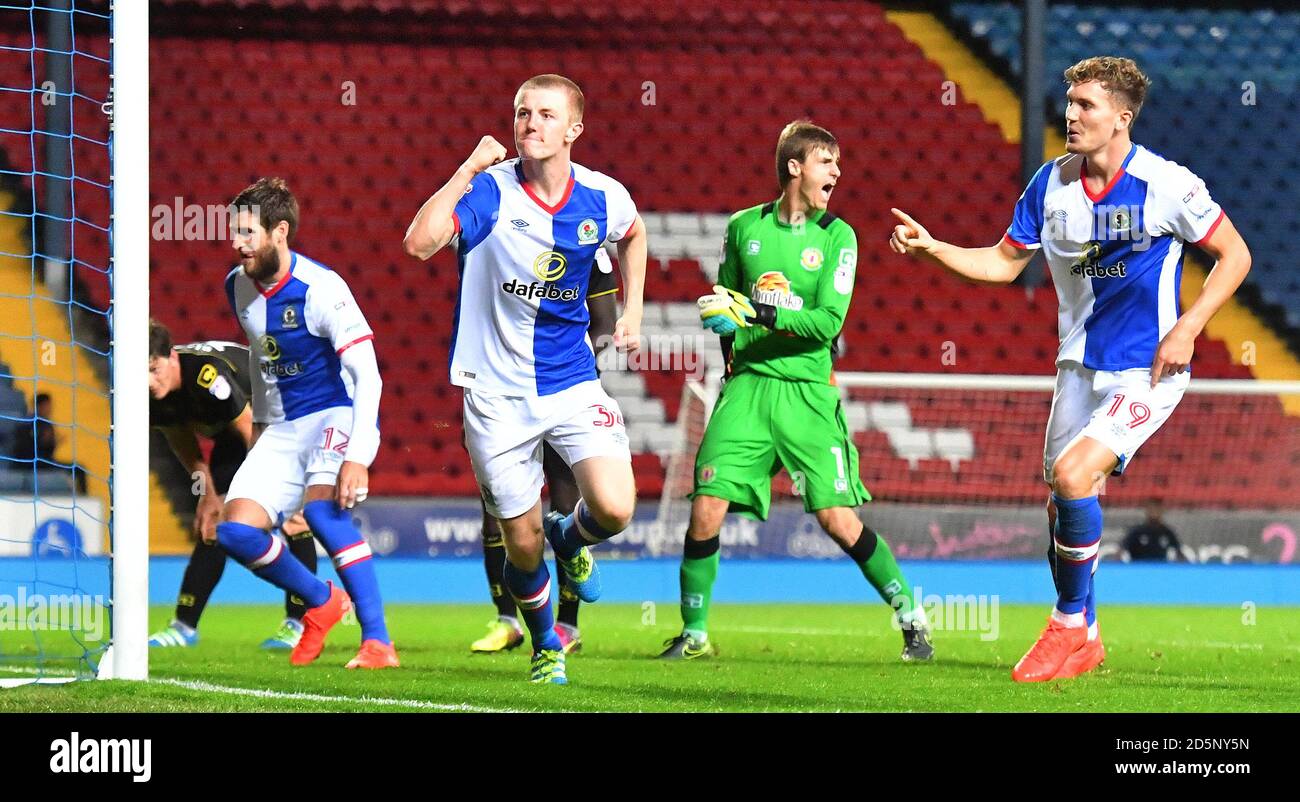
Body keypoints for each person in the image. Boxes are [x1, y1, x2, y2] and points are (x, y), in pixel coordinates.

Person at [890, 56, 1251, 681]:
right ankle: (1089, 636)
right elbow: (1004, 264)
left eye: (1086, 104)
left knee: (1074, 472)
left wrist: (1188, 328)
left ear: (1122, 116)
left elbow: (1235, 254)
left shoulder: (1165, 183)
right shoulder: (1049, 184)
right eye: (1070, 102)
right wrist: (935, 248)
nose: (1071, 114)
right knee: (1061, 502)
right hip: (1078, 365)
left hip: (1149, 368)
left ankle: (1065, 625)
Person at [404, 74, 648, 684]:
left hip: (570, 380)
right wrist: (467, 167)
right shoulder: (492, 192)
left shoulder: (601, 195)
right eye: (521, 114)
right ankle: (546, 645)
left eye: (544, 114)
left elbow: (635, 234)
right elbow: (420, 243)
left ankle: (573, 537)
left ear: (574, 130)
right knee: (521, 544)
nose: (529, 124)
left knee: (616, 509)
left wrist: (635, 310)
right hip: (496, 395)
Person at [659, 120, 933, 663]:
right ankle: (694, 633)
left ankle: (911, 617)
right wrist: (728, 336)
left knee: (837, 519)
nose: (836, 171)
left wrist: (755, 311)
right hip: (749, 388)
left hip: (807, 391)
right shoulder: (743, 228)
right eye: (826, 161)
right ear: (794, 167)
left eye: (837, 162)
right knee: (707, 507)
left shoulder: (839, 236)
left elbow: (827, 323)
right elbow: (726, 298)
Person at [219, 177, 398, 669]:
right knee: (233, 533)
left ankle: (378, 641)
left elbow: (369, 376)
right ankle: (322, 601)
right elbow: (261, 359)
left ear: (280, 232)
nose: (237, 243)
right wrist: (260, 430)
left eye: (247, 232)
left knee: (322, 516)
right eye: (234, 231)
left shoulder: (323, 289)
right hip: (281, 427)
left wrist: (358, 458)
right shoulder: (238, 286)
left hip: (333, 414)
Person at [471, 249, 619, 655]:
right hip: (505, 396)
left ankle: (567, 624)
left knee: (566, 504)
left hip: (565, 393)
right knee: (499, 513)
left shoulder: (591, 247)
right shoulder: (502, 236)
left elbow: (606, 323)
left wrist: (561, 367)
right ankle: (506, 621)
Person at [146, 318, 318, 649]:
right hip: (235, 434)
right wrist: (206, 495)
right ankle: (183, 627)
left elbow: (250, 429)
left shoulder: (206, 376)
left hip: (278, 422)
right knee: (213, 523)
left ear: (172, 357)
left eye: (154, 368)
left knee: (294, 520)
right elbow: (183, 443)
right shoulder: (153, 396)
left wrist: (271, 488)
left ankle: (298, 623)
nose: (150, 381)